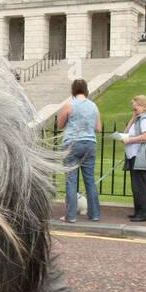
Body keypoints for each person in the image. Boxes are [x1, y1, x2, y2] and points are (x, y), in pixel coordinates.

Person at [56, 78, 102, 223]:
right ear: (86, 90)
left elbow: (60, 125)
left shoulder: (69, 105)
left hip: (72, 142)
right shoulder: (94, 106)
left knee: (71, 181)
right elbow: (98, 128)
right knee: (90, 180)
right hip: (89, 142)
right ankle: (94, 214)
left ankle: (71, 215)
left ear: (73, 90)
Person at [118, 95, 146, 221]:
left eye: (136, 108)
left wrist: (130, 140)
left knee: (140, 185)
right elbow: (125, 133)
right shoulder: (138, 119)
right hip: (133, 156)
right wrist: (132, 119)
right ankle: (138, 211)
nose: (134, 110)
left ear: (144, 107)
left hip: (140, 157)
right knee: (136, 186)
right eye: (133, 109)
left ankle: (144, 213)